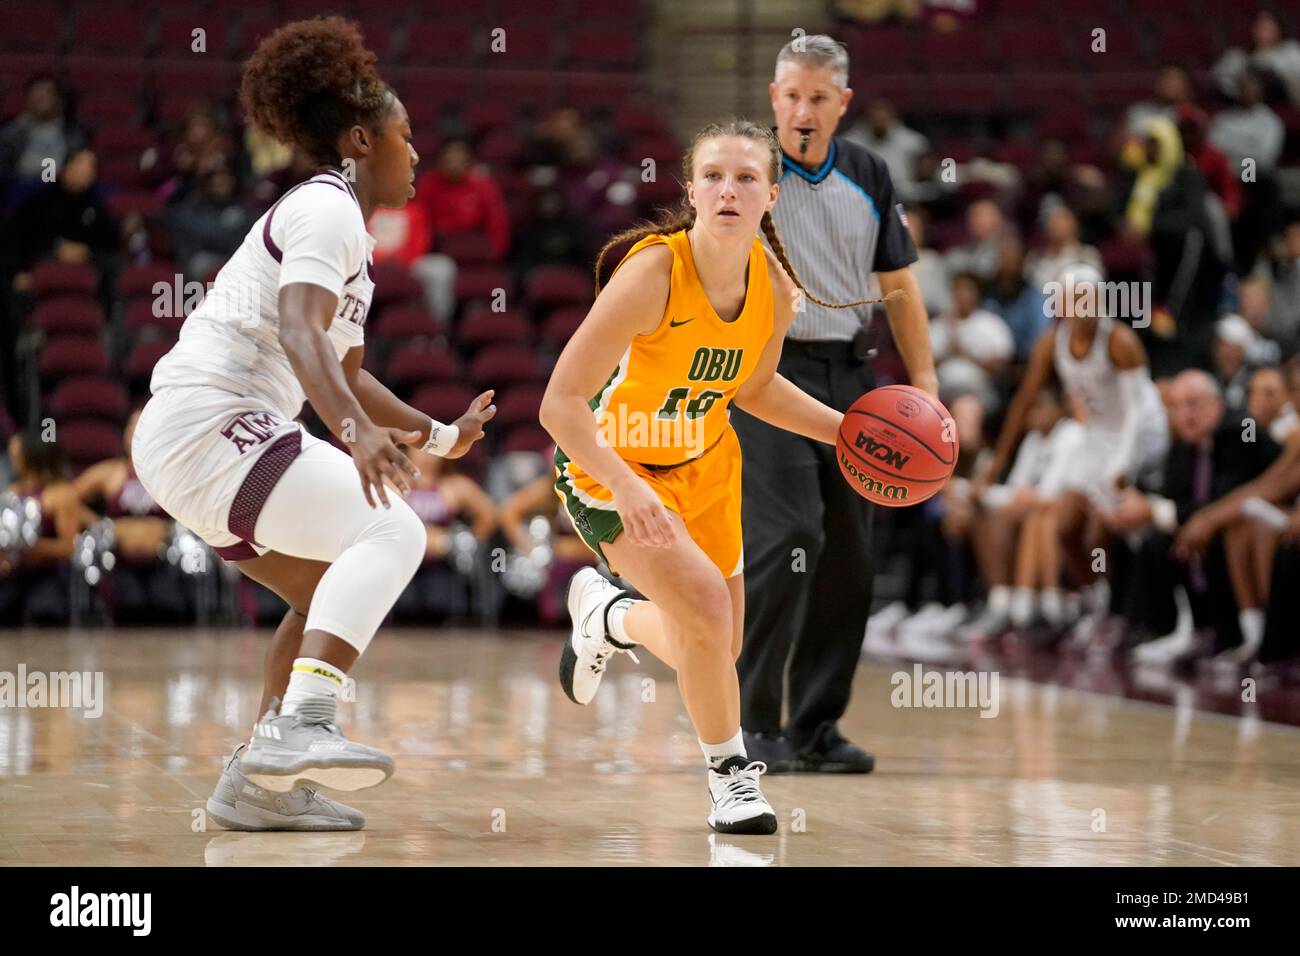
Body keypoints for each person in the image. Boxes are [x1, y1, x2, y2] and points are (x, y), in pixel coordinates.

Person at [128, 18, 495, 832]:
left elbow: (349, 376)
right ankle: (302, 727)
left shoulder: (348, 238)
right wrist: (355, 436)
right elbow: (299, 334)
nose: (418, 155)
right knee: (394, 534)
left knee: (327, 591)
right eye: (406, 138)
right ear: (361, 139)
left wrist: (438, 436)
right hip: (210, 421)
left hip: (198, 442)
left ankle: (257, 785)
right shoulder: (326, 208)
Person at [540, 118, 900, 834]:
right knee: (706, 612)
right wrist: (629, 485)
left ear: (772, 196)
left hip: (706, 466)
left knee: (717, 646)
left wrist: (849, 434)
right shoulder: (653, 275)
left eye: (744, 179)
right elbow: (560, 404)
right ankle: (733, 781)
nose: (727, 189)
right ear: (692, 192)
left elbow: (754, 389)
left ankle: (609, 615)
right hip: (614, 467)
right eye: (712, 177)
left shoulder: (774, 288)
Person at [733, 34, 937, 775]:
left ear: (843, 104)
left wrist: (927, 383)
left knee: (851, 556)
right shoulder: (747, 172)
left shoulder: (870, 175)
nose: (802, 109)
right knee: (789, 540)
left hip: (854, 375)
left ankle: (816, 728)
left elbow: (900, 287)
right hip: (765, 375)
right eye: (790, 95)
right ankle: (753, 727)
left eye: (818, 97)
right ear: (773, 98)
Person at [979, 263, 1169, 635]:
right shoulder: (1052, 343)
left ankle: (1121, 610)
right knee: (1064, 526)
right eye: (1073, 299)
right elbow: (1023, 401)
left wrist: (1121, 466)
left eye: (1088, 298)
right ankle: (1094, 599)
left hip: (1141, 434)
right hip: (1098, 434)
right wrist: (1000, 458)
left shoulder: (1120, 341)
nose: (1081, 306)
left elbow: (1136, 412)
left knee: (1099, 528)